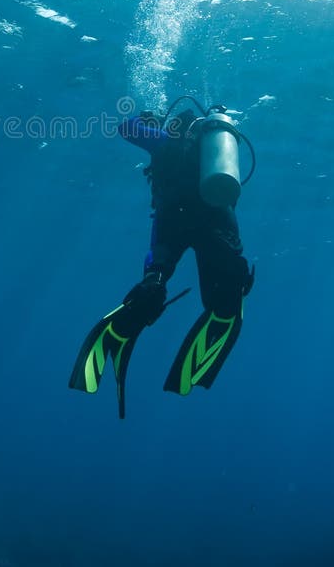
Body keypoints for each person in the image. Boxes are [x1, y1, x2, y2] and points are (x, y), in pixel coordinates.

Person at [69, 96, 255, 418]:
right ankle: (227, 292)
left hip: (174, 223)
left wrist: (148, 122)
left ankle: (147, 294)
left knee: (153, 284)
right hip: (217, 223)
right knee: (227, 294)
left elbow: (125, 127)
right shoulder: (211, 152)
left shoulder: (166, 141)